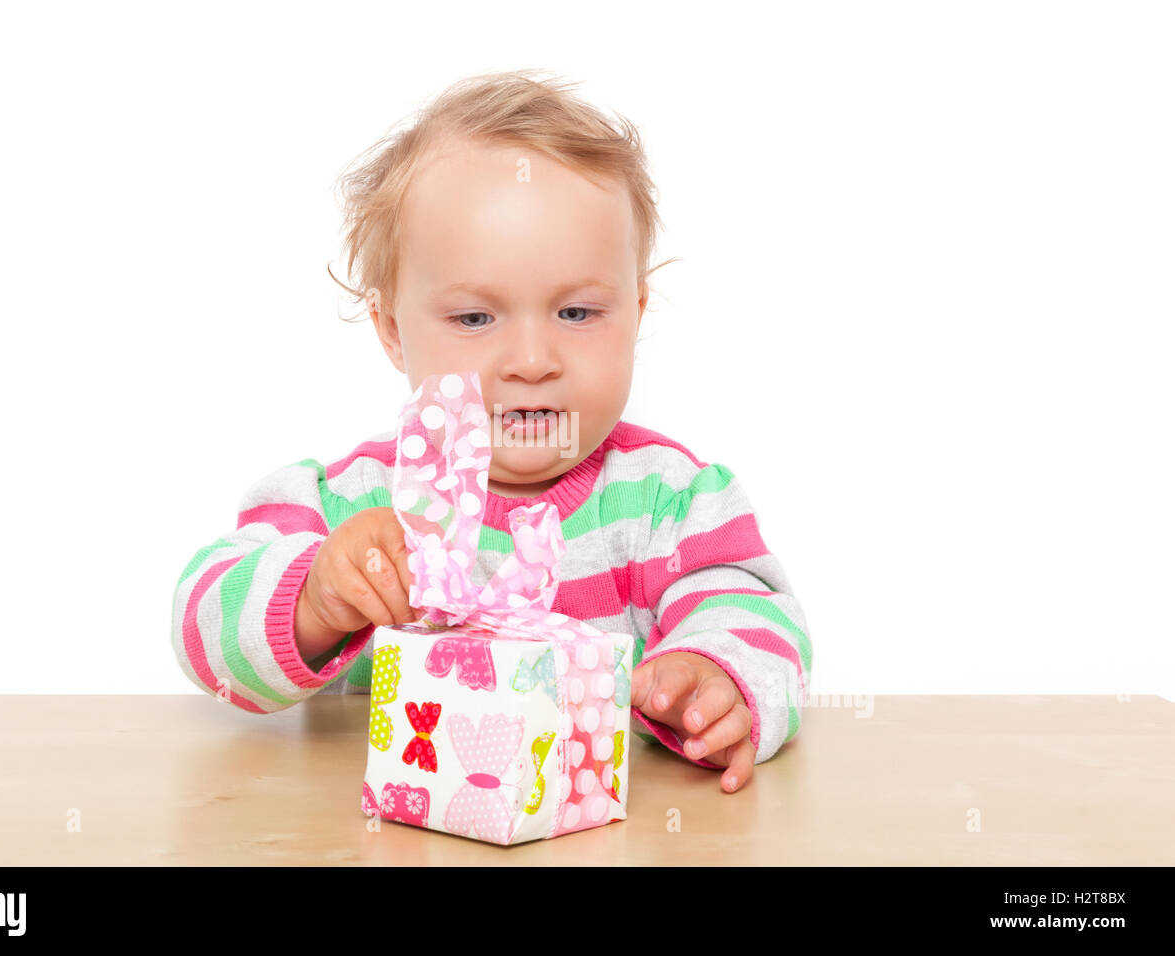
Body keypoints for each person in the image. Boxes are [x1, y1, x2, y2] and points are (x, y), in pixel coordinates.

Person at [171, 69, 811, 793]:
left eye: (577, 313)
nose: (532, 361)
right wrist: (316, 598)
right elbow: (202, 626)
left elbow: (757, 615)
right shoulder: (353, 504)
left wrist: (716, 677)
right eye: (475, 319)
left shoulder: (668, 502)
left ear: (636, 311)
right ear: (392, 332)